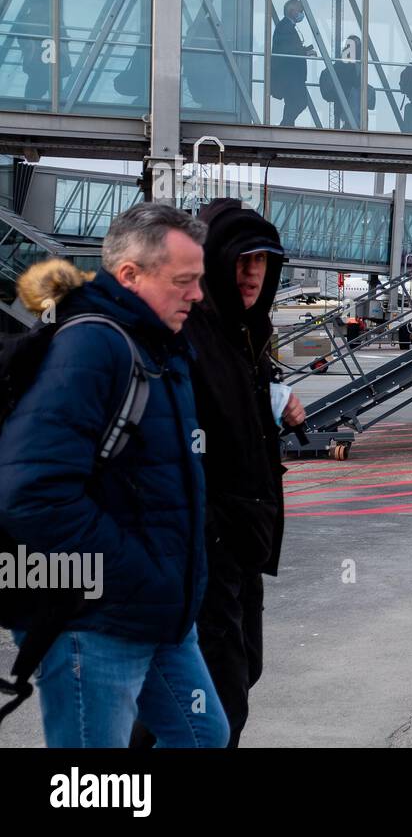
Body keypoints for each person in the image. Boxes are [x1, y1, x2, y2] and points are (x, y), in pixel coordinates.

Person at [0, 204, 228, 748]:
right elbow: (31, 493)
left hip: (158, 611)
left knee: (203, 737)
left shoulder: (159, 347)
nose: (197, 294)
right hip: (93, 617)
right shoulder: (93, 345)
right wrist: (133, 572)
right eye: (184, 281)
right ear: (130, 275)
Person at [183, 198, 304, 746]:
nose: (254, 273)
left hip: (245, 542)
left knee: (241, 670)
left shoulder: (246, 333)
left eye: (262, 261)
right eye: (242, 261)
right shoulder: (191, 337)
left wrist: (274, 403)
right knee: (218, 698)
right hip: (207, 543)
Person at [270, 0, 316, 127]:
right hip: (290, 76)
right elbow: (287, 50)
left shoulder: (285, 26)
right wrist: (304, 53)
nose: (302, 13)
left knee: (293, 102)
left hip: (290, 76)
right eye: (300, 10)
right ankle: (285, 125)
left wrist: (305, 50)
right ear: (291, 11)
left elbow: (289, 48)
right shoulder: (285, 27)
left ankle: (287, 125)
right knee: (300, 102)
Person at [319, 35, 375, 130]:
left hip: (350, 97)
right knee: (357, 94)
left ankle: (360, 127)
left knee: (363, 94)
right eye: (355, 45)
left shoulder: (356, 63)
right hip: (346, 96)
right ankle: (356, 126)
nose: (357, 49)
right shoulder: (344, 62)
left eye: (358, 45)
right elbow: (351, 80)